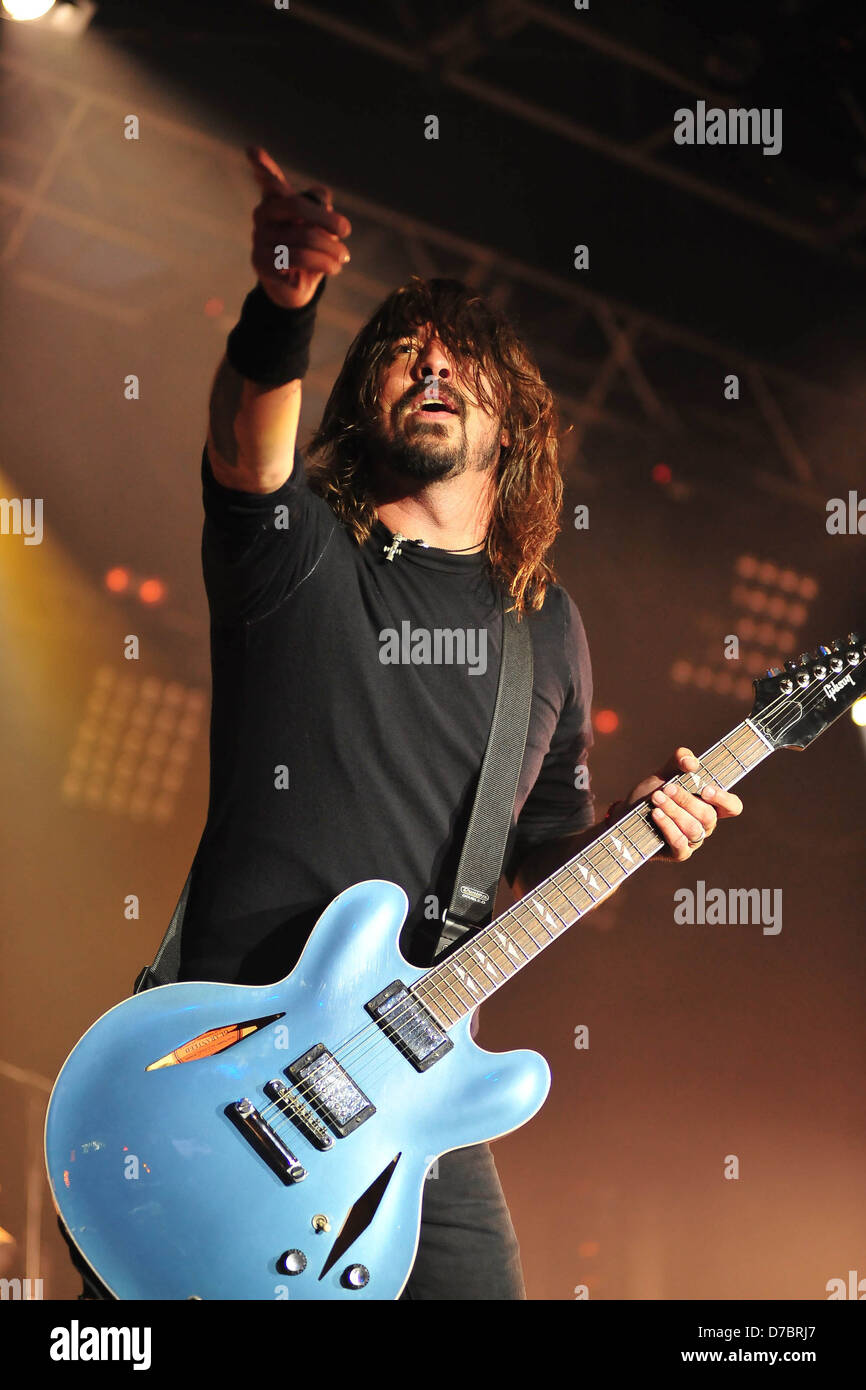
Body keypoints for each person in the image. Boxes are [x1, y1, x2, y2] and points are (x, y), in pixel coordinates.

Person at [64, 145, 743, 1302]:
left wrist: (636, 833)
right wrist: (283, 306)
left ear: (514, 420)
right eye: (400, 351)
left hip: (408, 1088)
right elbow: (244, 451)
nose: (429, 361)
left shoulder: (546, 629)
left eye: (460, 354)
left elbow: (537, 864)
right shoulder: (298, 556)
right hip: (222, 1078)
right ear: (363, 397)